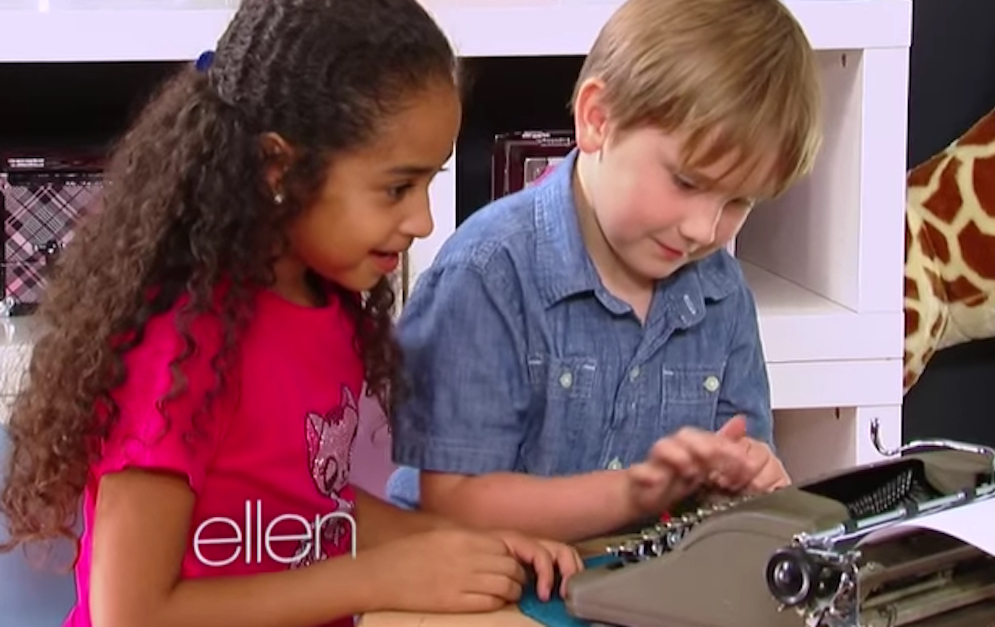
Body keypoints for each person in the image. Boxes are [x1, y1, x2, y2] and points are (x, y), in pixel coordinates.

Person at [0, 2, 582, 626]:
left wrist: (463, 547)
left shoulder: (326, 305)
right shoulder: (180, 349)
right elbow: (131, 614)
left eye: (428, 183)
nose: (423, 221)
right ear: (278, 165)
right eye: (397, 188)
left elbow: (311, 509)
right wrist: (374, 578)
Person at [388, 0, 823, 543]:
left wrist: (746, 485)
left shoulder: (722, 294)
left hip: (633, 581)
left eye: (739, 202)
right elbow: (454, 504)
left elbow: (733, 481)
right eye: (687, 182)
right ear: (598, 119)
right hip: (479, 578)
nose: (703, 229)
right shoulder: (487, 273)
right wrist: (633, 493)